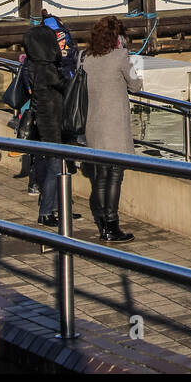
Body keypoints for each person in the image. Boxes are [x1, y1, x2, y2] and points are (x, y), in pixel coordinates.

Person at [80, 15, 143, 243]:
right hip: (115, 126)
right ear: (119, 37)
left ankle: (102, 224)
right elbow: (136, 85)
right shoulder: (121, 56)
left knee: (100, 177)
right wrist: (128, 56)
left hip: (93, 124)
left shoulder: (86, 57)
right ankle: (112, 225)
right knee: (115, 175)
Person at [21, 16, 79, 228]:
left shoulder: (34, 66)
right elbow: (66, 85)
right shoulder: (46, 69)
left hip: (51, 122)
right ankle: (46, 211)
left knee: (58, 166)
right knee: (55, 166)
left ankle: (59, 208)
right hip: (51, 125)